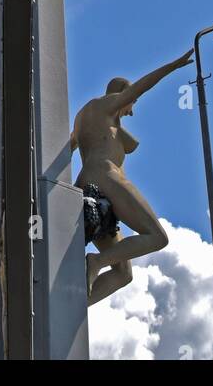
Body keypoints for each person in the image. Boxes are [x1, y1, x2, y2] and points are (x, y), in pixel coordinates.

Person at [71, 49, 195, 305]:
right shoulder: (103, 106)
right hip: (106, 176)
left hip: (88, 184)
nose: (131, 111)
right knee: (157, 237)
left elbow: (126, 143)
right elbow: (141, 87)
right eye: (131, 106)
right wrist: (173, 66)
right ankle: (96, 261)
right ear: (120, 96)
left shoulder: (96, 119)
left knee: (123, 274)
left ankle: (72, 308)